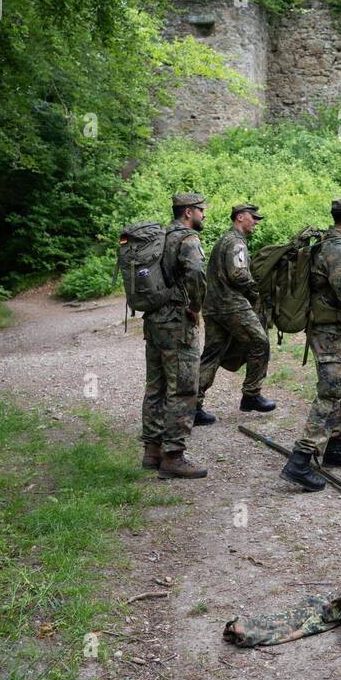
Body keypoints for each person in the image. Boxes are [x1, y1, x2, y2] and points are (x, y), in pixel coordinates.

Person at [280, 196, 341, 491]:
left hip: (334, 328)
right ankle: (300, 460)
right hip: (328, 330)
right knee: (331, 393)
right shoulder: (335, 248)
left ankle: (334, 446)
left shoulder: (333, 245)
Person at [141, 192, 208, 480]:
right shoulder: (187, 240)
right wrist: (195, 306)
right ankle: (173, 457)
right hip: (177, 323)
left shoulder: (158, 237)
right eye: (201, 211)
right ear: (189, 212)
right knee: (182, 387)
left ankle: (152, 451)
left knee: (155, 386)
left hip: (153, 321)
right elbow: (196, 274)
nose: (204, 215)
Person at [195, 203, 274, 425]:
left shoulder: (224, 240)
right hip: (231, 305)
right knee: (260, 342)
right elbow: (238, 274)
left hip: (213, 307)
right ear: (240, 217)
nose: (256, 222)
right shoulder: (236, 242)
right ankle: (251, 394)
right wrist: (254, 291)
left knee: (212, 354)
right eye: (253, 217)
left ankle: (192, 406)